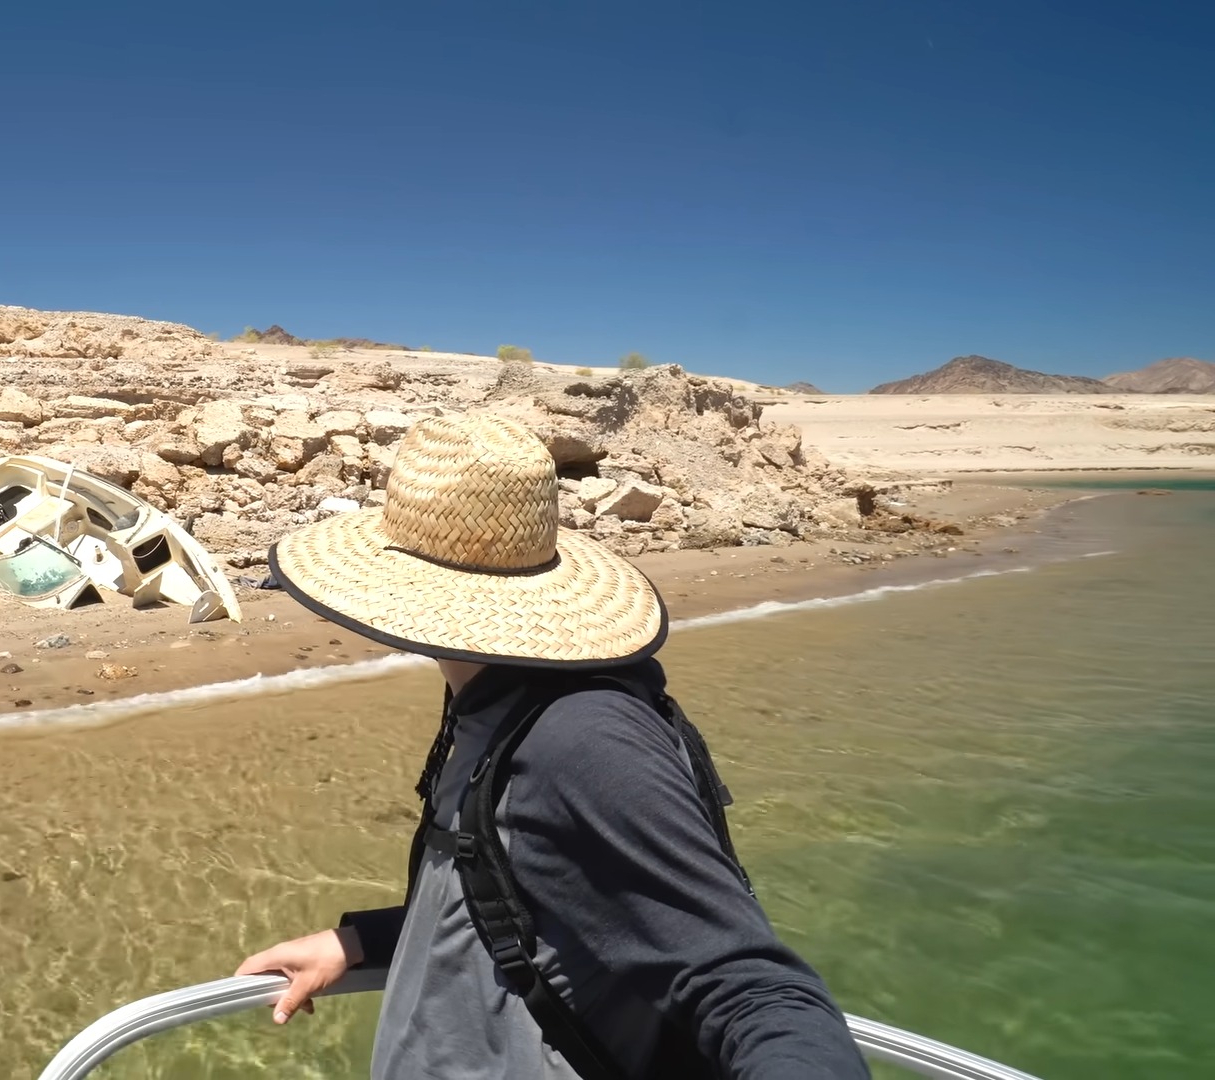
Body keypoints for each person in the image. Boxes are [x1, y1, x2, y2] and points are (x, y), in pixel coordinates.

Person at [235, 413, 868, 1079]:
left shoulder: (583, 737)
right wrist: (364, 940)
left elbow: (754, 992)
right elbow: (530, 903)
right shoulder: (492, 695)